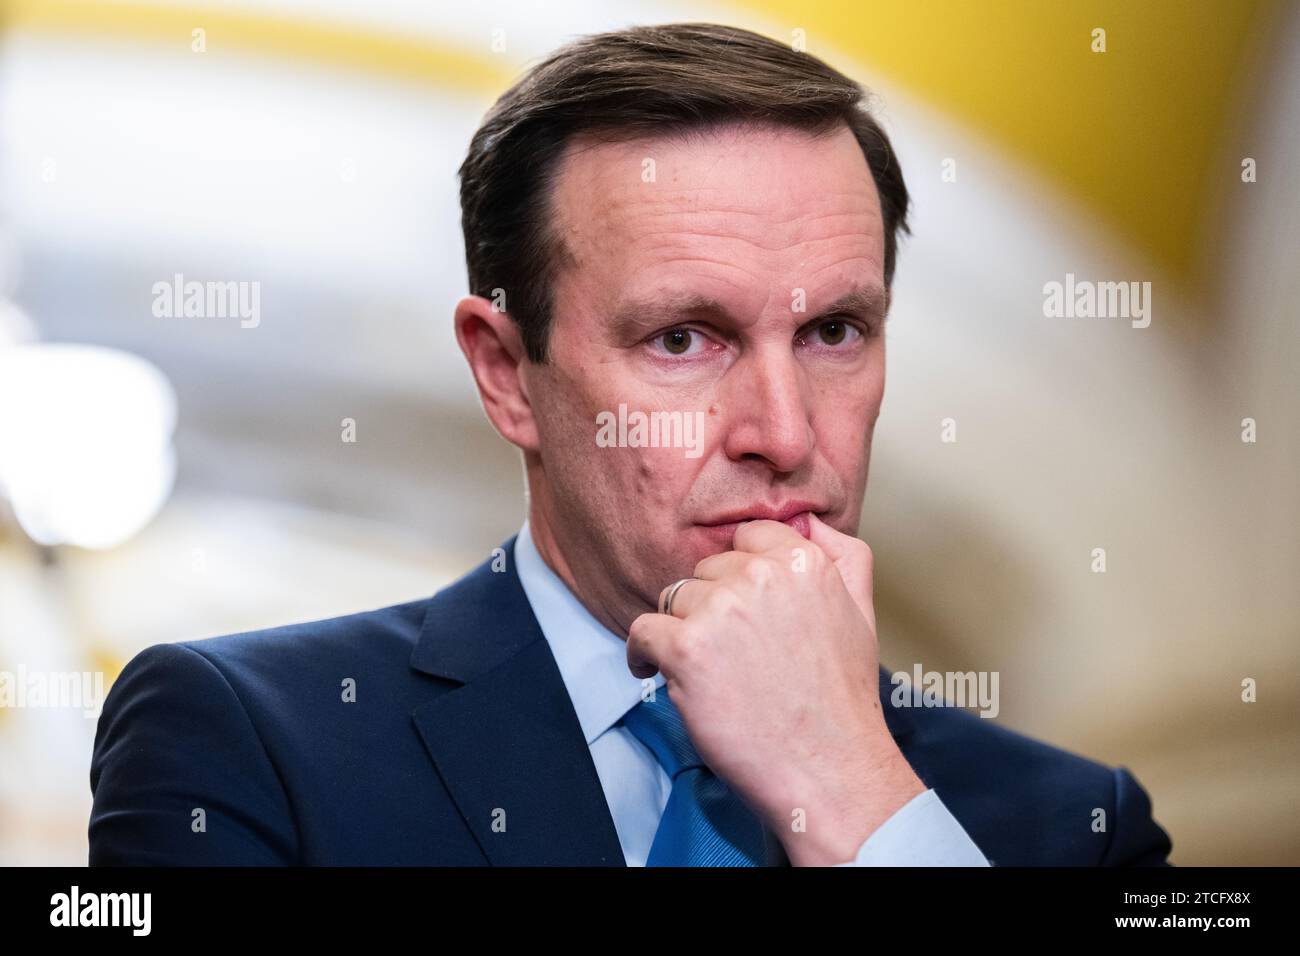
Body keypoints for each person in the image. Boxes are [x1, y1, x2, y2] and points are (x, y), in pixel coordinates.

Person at [89, 22, 1173, 866]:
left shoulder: (1077, 821)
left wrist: (850, 798)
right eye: (683, 337)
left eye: (834, 331)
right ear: (507, 374)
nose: (785, 434)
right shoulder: (251, 740)